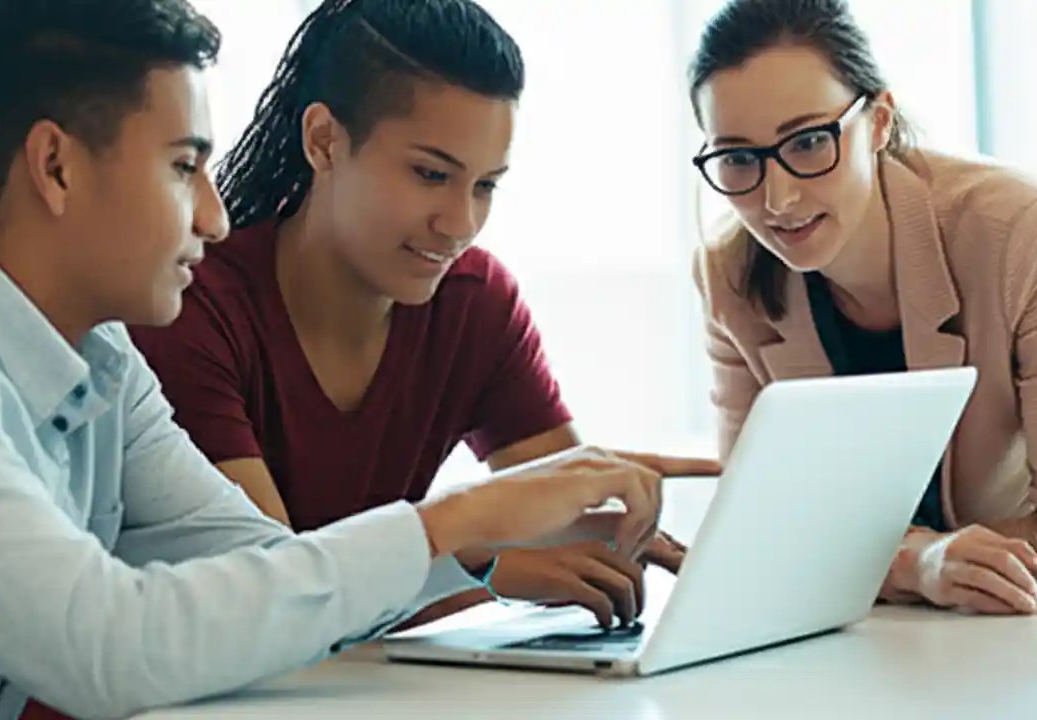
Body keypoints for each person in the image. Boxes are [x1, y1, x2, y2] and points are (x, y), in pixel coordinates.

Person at [0, 2, 676, 718]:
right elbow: (105, 646)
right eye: (183, 167)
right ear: (56, 167)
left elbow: (278, 574)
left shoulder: (104, 360)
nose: (215, 216)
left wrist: (473, 545)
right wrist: (456, 521)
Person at [129, 0, 715, 632]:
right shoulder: (189, 307)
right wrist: (486, 572)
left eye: (485, 185)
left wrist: (626, 527)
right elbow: (281, 591)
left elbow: (561, 514)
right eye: (431, 174)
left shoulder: (474, 301)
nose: (460, 224)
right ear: (324, 141)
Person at [688, 0, 1037, 616]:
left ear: (879, 122)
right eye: (738, 158)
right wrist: (913, 562)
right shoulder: (730, 273)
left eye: (809, 142)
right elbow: (758, 535)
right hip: (944, 623)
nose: (778, 198)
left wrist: (889, 560)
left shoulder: (1022, 230)